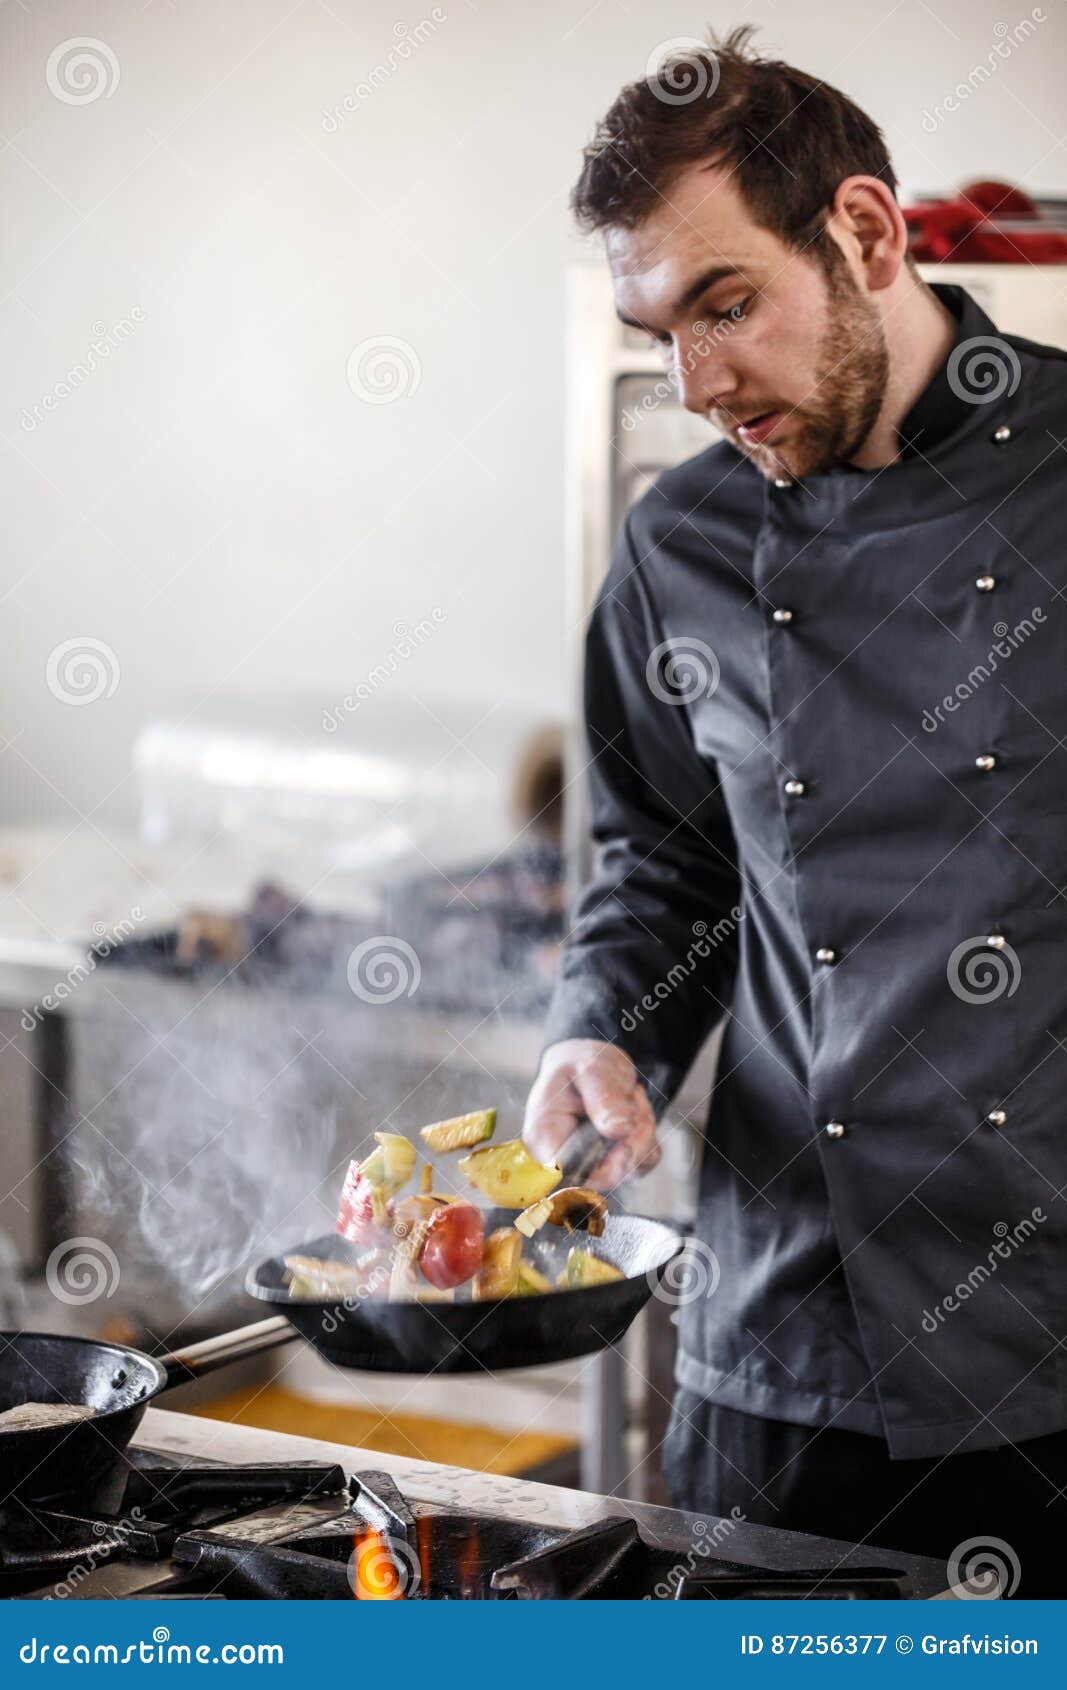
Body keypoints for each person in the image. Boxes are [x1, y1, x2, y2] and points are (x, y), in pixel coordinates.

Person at [522, 28, 1067, 1597]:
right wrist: (598, 1028)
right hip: (780, 1345)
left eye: (726, 305)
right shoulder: (680, 542)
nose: (695, 386)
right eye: (657, 330)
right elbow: (667, 858)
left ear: (871, 232)